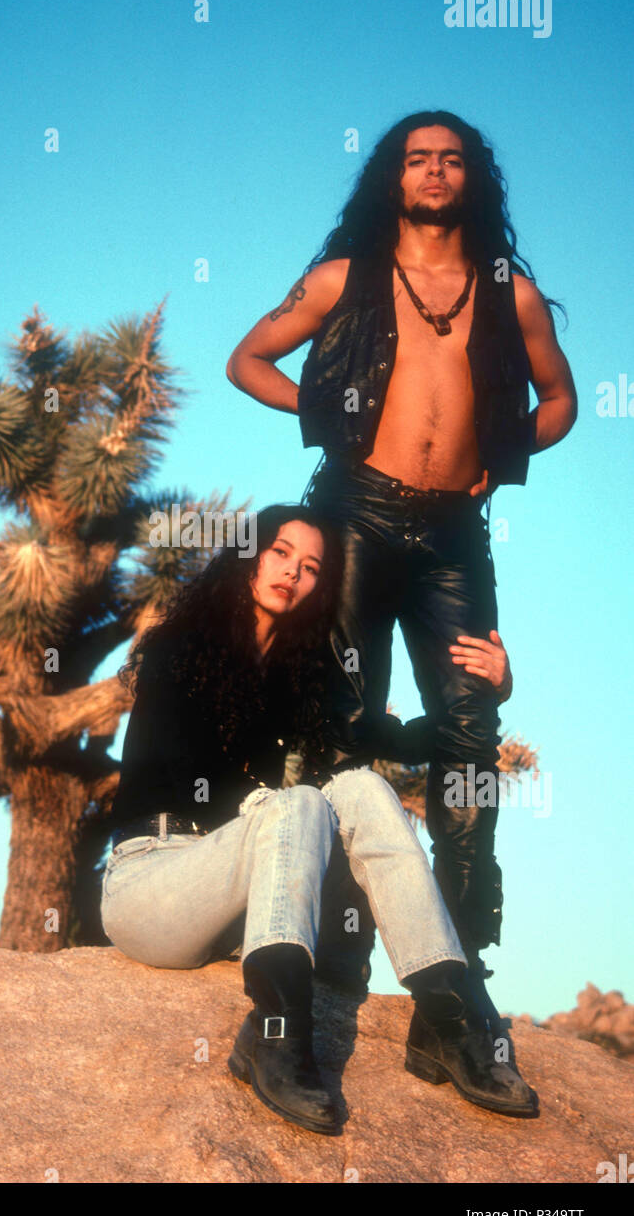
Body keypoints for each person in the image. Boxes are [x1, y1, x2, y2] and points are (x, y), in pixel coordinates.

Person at [225, 110, 577, 1042]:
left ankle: (458, 986)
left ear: (473, 178)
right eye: (418, 159)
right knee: (336, 724)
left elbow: (563, 397)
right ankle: (325, 961)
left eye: (450, 160)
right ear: (393, 176)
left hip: (455, 536)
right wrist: (325, 415)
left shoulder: (511, 291)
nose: (434, 171)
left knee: (470, 724)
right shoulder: (343, 279)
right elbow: (245, 359)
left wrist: (501, 457)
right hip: (353, 517)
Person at [100, 505, 538, 1136]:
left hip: (238, 902)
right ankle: (281, 1030)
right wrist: (285, 800)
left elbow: (384, 739)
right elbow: (195, 769)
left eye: (310, 568)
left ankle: (448, 1012)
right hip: (153, 885)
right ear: (249, 556)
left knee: (359, 785)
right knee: (300, 803)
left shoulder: (300, 679)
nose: (292, 573)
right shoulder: (180, 650)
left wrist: (487, 698)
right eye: (280, 553)